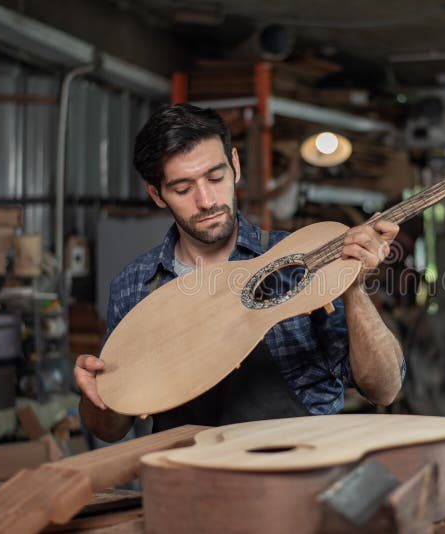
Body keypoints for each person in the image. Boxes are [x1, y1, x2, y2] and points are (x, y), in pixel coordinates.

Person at [74, 104, 404, 442]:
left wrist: (352, 284)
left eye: (215, 178)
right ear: (156, 194)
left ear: (235, 165)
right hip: (191, 481)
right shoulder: (134, 285)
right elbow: (109, 430)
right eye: (183, 188)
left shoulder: (300, 258)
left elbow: (383, 389)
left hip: (302, 472)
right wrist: (95, 392)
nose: (206, 200)